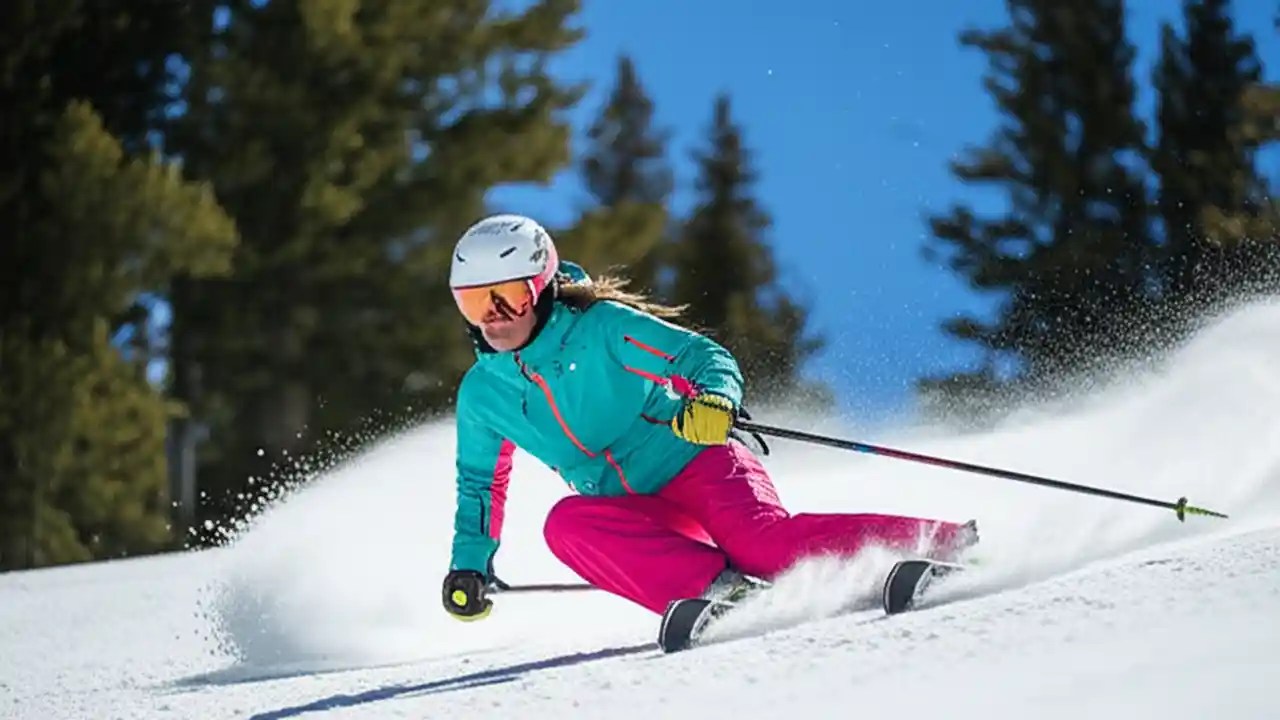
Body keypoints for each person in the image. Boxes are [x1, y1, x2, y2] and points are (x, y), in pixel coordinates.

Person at [441, 213, 976, 622]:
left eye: (506, 299)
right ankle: (722, 595)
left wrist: (714, 399)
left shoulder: (599, 328)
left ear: (539, 287)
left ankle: (943, 545)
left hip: (696, 462)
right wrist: (470, 562)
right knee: (567, 525)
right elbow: (480, 484)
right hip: (633, 506)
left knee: (762, 545)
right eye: (473, 304)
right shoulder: (485, 394)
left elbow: (701, 357)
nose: (492, 318)